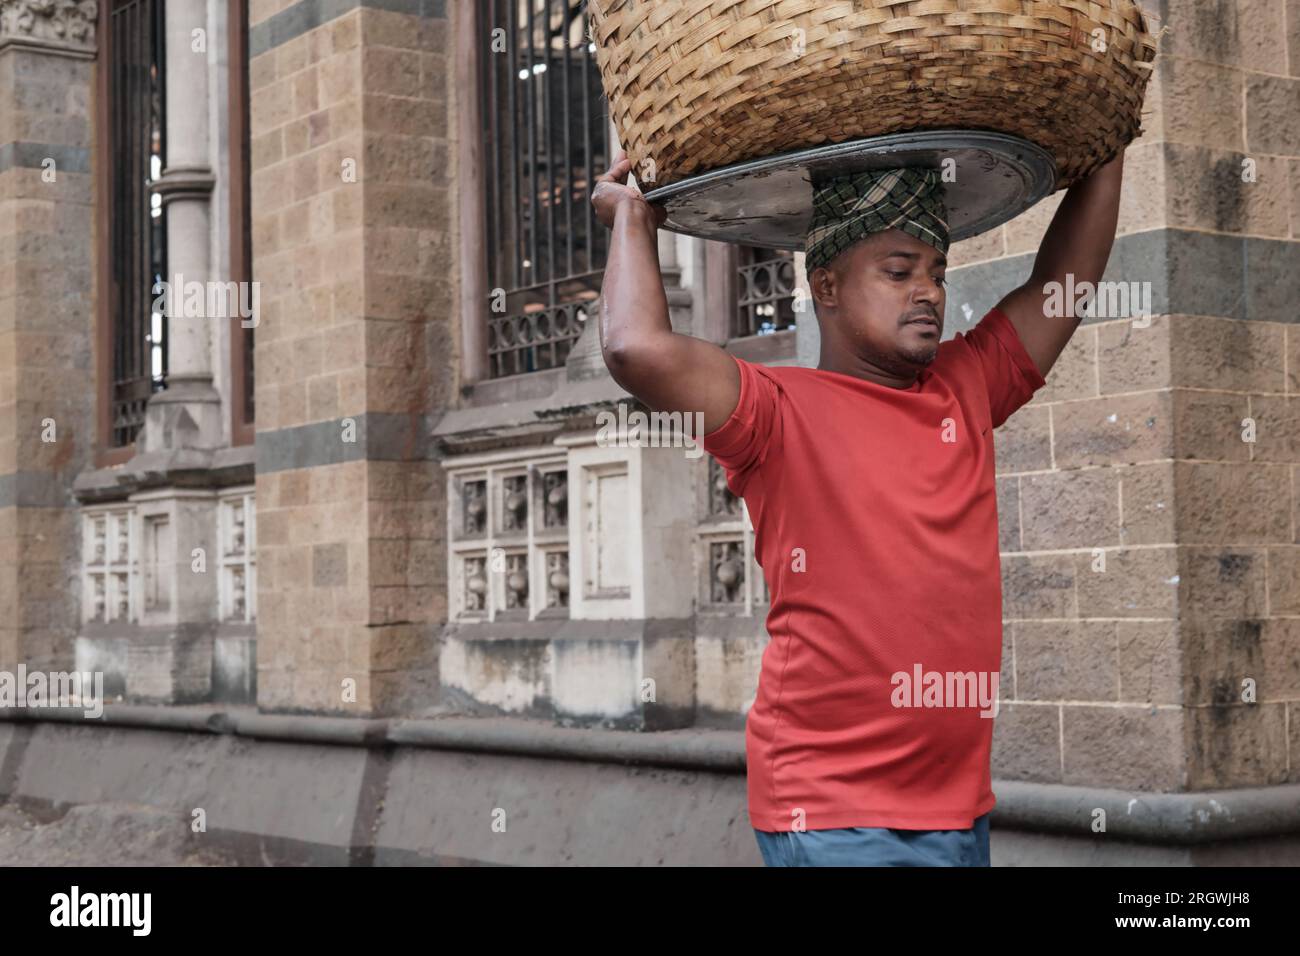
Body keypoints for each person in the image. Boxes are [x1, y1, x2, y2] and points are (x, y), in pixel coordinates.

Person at [591, 148, 1125, 866]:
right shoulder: (774, 413)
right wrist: (633, 222)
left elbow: (1065, 285)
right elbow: (634, 348)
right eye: (899, 272)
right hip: (834, 809)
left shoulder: (965, 388)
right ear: (828, 286)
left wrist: (1107, 148)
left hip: (960, 807)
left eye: (937, 273)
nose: (928, 291)